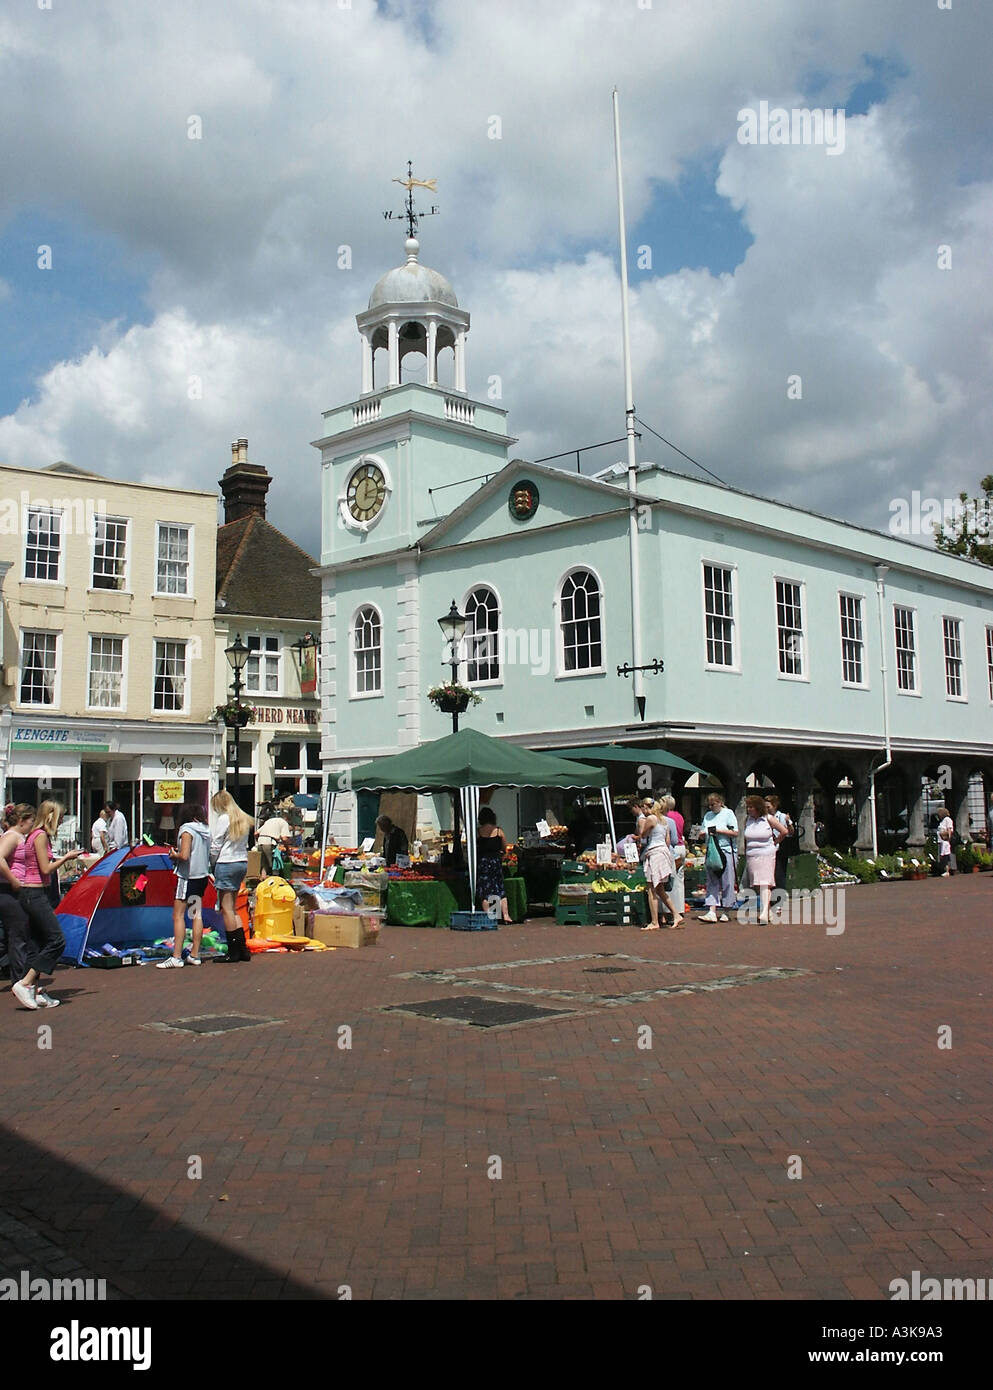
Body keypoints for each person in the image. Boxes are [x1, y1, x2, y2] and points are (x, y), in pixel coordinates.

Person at [8, 802, 83, 1010]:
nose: (62, 821)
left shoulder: (34, 835)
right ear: (51, 816)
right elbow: (45, 868)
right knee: (57, 940)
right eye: (60, 817)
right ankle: (25, 983)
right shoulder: (40, 835)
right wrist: (66, 858)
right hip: (34, 893)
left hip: (32, 892)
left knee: (37, 943)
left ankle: (33, 989)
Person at [157, 802, 211, 969]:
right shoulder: (205, 830)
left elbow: (185, 855)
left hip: (187, 878)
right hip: (201, 876)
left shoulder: (187, 830)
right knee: (196, 915)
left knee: (178, 916)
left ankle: (177, 956)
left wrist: (174, 854)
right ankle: (195, 954)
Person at [210, 790, 252, 963]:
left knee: (226, 909)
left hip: (226, 862)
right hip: (241, 862)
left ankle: (233, 951)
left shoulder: (223, 819)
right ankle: (242, 949)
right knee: (233, 908)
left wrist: (212, 864)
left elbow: (216, 845)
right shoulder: (243, 818)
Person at [0, 805, 35, 988]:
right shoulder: (12, 836)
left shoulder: (18, 836)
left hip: (17, 889)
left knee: (20, 934)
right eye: (31, 821)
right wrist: (13, 880)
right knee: (18, 935)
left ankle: (21, 978)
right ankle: (20, 980)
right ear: (21, 821)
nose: (32, 825)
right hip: (9, 890)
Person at [743, 795, 791, 924]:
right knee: (757, 884)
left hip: (766, 854)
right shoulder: (748, 820)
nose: (749, 809)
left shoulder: (768, 818)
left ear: (758, 807)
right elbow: (746, 837)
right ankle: (768, 911)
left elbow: (784, 831)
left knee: (765, 882)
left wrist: (776, 842)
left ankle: (763, 912)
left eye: (751, 807)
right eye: (748, 807)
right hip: (752, 855)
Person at [639, 798, 682, 930]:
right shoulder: (664, 820)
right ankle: (676, 914)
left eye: (643, 807)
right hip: (664, 851)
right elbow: (668, 841)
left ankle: (654, 922)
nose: (642, 810)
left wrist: (641, 824)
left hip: (655, 853)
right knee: (660, 889)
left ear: (647, 807)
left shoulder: (651, 818)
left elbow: (642, 835)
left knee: (651, 888)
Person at [697, 791, 738, 923]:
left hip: (726, 850)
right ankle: (712, 910)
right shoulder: (708, 815)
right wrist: (701, 834)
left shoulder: (728, 813)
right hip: (711, 850)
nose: (711, 807)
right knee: (712, 880)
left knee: (728, 881)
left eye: (713, 804)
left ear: (720, 803)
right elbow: (703, 830)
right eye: (709, 805)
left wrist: (718, 831)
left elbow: (735, 832)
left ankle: (726, 910)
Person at [476, 807, 512, 924]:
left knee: (485, 891)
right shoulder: (499, 831)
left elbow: (474, 848)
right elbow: (504, 848)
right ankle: (506, 915)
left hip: (483, 863)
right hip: (496, 862)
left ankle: (490, 916)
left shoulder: (478, 832)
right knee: (500, 889)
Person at [661, 794, 687, 922]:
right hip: (682, 848)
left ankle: (669, 911)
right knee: (679, 881)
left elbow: (673, 839)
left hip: (673, 849)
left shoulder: (667, 817)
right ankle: (680, 908)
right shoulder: (679, 816)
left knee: (669, 881)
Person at [765, 793, 794, 892]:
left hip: (780, 847)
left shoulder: (782, 816)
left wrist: (788, 823)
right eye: (765, 807)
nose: (766, 809)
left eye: (768, 807)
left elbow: (790, 833)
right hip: (768, 848)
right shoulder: (764, 817)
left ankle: (779, 893)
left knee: (779, 872)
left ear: (774, 806)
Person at [257, 806, 292, 876]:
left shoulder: (269, 821)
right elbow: (284, 838)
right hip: (269, 843)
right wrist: (287, 849)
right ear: (287, 819)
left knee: (264, 865)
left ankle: (263, 878)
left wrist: (258, 841)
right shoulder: (284, 822)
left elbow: (256, 833)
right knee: (274, 863)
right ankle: (275, 878)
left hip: (260, 842)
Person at [936, 805, 955, 877]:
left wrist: (948, 838)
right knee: (944, 856)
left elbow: (949, 829)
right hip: (941, 840)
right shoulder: (942, 820)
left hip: (944, 840)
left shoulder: (947, 819)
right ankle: (944, 869)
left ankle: (947, 870)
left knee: (945, 856)